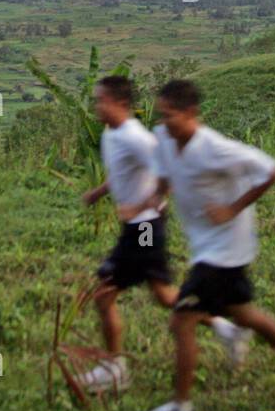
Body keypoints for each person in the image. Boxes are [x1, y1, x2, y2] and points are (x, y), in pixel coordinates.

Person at [133, 80, 275, 411]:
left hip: (224, 251)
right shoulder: (165, 138)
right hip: (209, 248)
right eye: (161, 116)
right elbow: (164, 173)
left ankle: (179, 409)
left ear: (192, 113)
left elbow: (271, 170)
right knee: (245, 314)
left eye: (170, 116)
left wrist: (232, 208)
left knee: (182, 320)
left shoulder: (216, 149)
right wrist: (157, 199)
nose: (164, 123)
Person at [79, 76, 247, 393]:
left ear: (121, 104)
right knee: (163, 294)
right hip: (139, 226)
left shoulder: (135, 137)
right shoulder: (111, 134)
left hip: (144, 227)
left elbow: (165, 173)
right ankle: (225, 327)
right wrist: (99, 192)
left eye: (101, 100)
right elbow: (122, 174)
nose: (96, 106)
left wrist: (143, 207)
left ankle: (115, 368)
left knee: (103, 296)